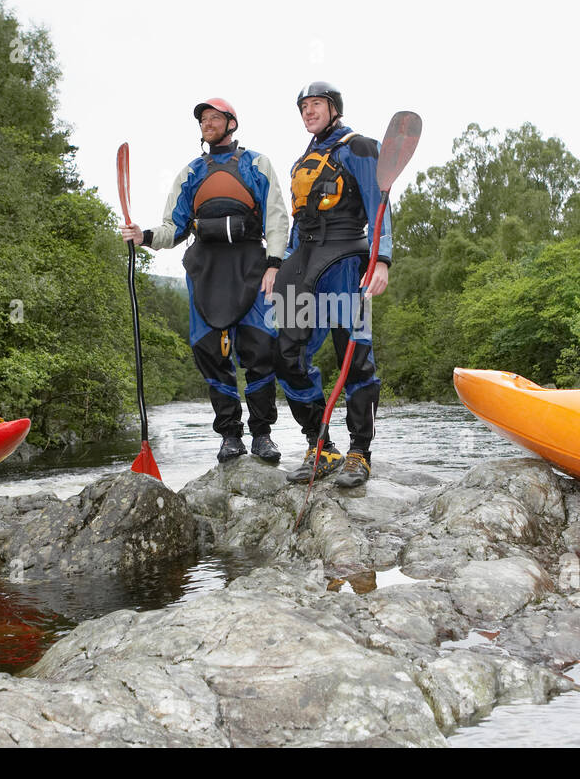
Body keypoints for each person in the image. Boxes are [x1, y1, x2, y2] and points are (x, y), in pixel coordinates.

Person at [120, 98, 288, 463]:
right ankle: (230, 435)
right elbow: (173, 228)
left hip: (251, 265)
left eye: (214, 118)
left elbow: (276, 217)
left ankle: (262, 434)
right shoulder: (191, 172)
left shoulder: (257, 164)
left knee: (260, 350)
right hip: (205, 269)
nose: (207, 123)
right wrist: (142, 235)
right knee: (208, 352)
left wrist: (275, 264)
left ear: (231, 124)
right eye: (203, 119)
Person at [274, 81, 390, 488]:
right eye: (304, 106)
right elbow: (297, 220)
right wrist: (285, 267)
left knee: (354, 354)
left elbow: (379, 204)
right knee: (287, 354)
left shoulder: (359, 147)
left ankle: (360, 451)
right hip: (304, 261)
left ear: (334, 108)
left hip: (345, 259)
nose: (309, 111)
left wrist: (382, 260)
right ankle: (320, 446)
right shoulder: (303, 160)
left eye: (316, 104)